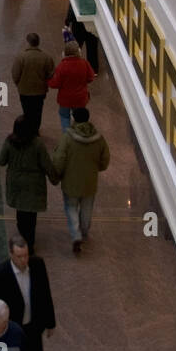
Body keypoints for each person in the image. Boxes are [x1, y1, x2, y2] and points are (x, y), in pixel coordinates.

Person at [0, 114, 59, 253]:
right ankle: (29, 244)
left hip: (16, 181)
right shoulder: (37, 143)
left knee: (20, 211)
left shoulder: (10, 141)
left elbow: (1, 161)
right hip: (34, 183)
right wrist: (54, 178)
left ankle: (23, 237)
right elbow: (46, 164)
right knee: (31, 215)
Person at [53, 107, 110, 254]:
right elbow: (105, 159)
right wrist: (98, 168)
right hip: (90, 181)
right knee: (87, 208)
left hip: (71, 181)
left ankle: (76, 235)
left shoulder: (68, 137)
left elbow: (60, 158)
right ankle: (84, 231)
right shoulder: (99, 138)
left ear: (74, 119)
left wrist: (57, 174)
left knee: (71, 207)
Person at [0, 237, 56, 351]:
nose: (24, 260)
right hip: (13, 328)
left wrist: (50, 323)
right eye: (19, 256)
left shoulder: (38, 264)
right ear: (11, 254)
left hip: (34, 326)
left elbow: (45, 293)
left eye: (26, 255)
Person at [11, 33, 55, 133]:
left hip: (24, 90)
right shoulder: (46, 57)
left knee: (27, 110)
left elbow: (15, 74)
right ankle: (35, 130)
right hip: (40, 90)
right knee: (38, 111)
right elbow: (51, 73)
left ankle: (28, 128)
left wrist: (19, 84)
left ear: (28, 43)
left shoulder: (21, 57)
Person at [48, 40, 96, 131]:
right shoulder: (84, 63)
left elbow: (55, 84)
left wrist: (48, 81)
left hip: (65, 99)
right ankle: (79, 134)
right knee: (79, 118)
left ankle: (67, 137)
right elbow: (91, 78)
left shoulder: (62, 66)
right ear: (78, 51)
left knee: (64, 117)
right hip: (80, 98)